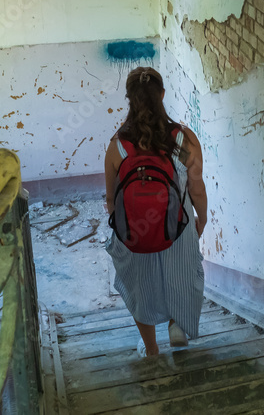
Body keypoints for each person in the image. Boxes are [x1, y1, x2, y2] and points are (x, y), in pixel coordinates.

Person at [104, 66, 207, 357]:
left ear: (129, 99)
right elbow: (196, 187)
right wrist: (202, 217)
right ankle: (177, 324)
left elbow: (111, 200)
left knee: (140, 285)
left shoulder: (118, 147)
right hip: (179, 225)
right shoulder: (182, 142)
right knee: (182, 276)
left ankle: (151, 349)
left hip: (134, 231)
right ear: (161, 95)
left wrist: (125, 226)